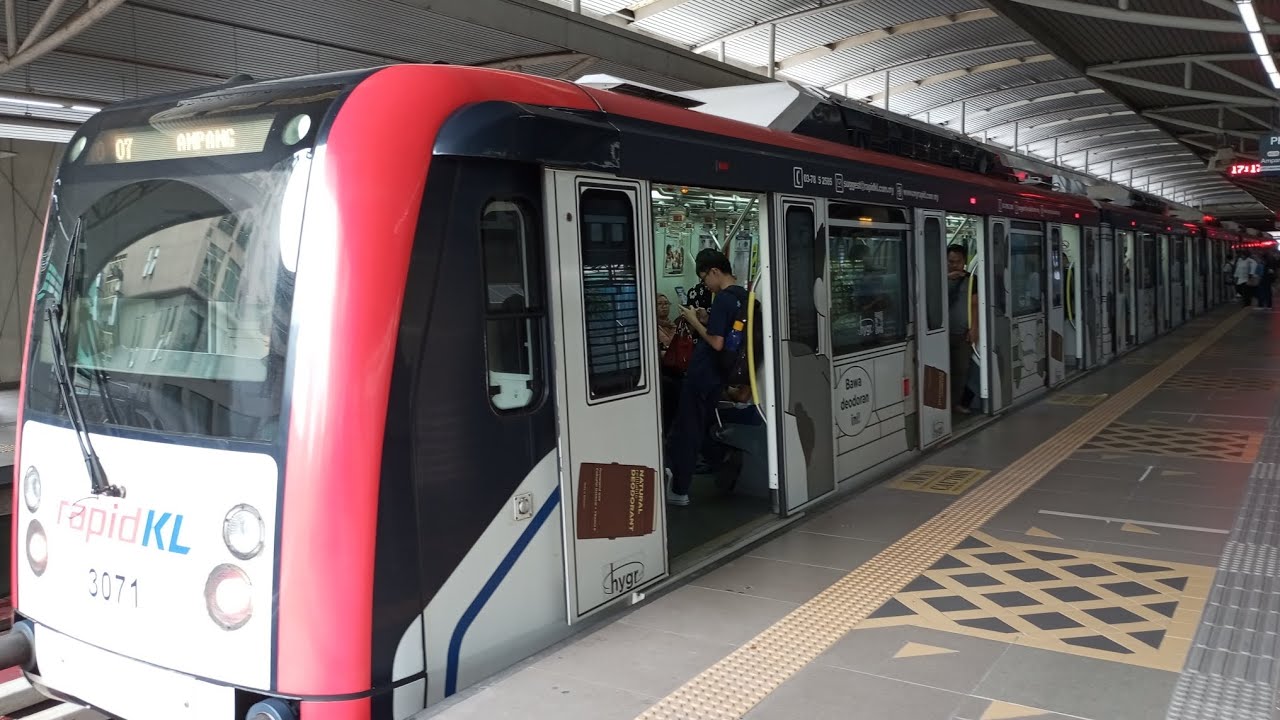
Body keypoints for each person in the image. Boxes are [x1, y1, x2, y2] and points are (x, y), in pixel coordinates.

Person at [664, 249, 745, 506]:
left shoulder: (722, 298)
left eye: (704, 278)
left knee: (688, 429)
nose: (705, 284)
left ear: (714, 271)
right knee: (706, 422)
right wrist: (707, 319)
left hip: (703, 372)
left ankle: (679, 490)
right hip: (720, 374)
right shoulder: (743, 296)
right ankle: (720, 461)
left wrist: (693, 320)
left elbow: (717, 342)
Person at [946, 244, 979, 414]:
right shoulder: (938, 279)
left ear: (964, 262)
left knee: (960, 370)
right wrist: (946, 279)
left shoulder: (972, 280)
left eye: (958, 262)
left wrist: (974, 328)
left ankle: (955, 403)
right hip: (941, 334)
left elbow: (975, 305)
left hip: (962, 333)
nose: (954, 265)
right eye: (951, 262)